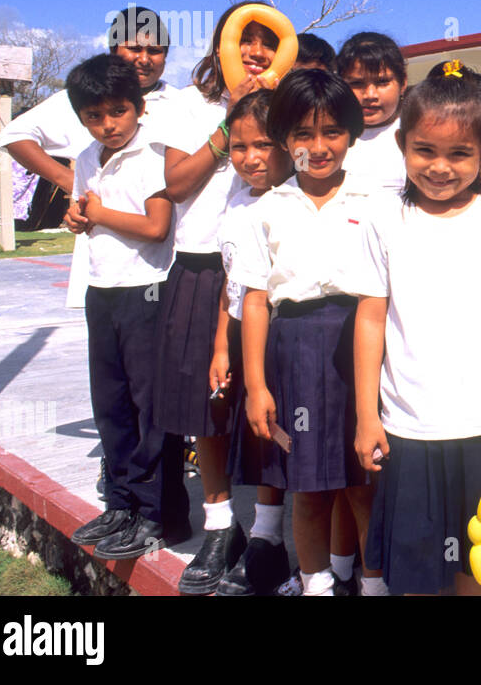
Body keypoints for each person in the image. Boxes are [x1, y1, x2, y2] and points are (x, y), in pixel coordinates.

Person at [350, 61, 481, 596]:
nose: (441, 167)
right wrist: (367, 415)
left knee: (480, 564)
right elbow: (370, 317)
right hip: (408, 428)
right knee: (415, 566)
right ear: (402, 144)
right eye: (426, 151)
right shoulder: (381, 217)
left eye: (460, 153)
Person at [232, 69, 381, 596]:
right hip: (293, 350)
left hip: (362, 347)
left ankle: (372, 583)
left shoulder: (377, 202)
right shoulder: (264, 211)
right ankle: (314, 583)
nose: (318, 148)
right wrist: (255, 386)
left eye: (332, 132)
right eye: (302, 134)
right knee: (308, 487)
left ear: (351, 133)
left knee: (365, 485)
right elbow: (253, 300)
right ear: (284, 139)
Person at [155, 2, 276, 587]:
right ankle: (220, 522)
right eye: (244, 39)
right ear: (220, 44)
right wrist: (230, 123)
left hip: (270, 271)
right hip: (203, 265)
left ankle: (272, 530)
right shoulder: (188, 103)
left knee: (272, 395)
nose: (255, 52)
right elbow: (176, 185)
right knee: (205, 402)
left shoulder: (289, 102)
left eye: (266, 42)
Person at [62, 55, 182, 557]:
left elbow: (157, 226)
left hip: (147, 289)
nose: (108, 125)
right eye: (94, 116)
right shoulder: (88, 157)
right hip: (103, 288)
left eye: (117, 111)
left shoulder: (155, 154)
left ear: (138, 107)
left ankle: (161, 516)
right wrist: (76, 216)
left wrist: (99, 214)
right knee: (110, 404)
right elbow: (83, 210)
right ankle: (121, 503)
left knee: (150, 408)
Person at [0, 6, 180, 308]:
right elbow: (15, 136)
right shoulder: (85, 97)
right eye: (134, 48)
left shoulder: (181, 102)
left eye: (155, 50)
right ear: (113, 49)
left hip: (160, 268)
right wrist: (72, 183)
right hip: (102, 270)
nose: (144, 59)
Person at [205, 89, 296, 596]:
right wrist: (222, 345)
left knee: (278, 438)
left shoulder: (293, 201)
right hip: (242, 332)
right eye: (238, 148)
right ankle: (260, 537)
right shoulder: (235, 200)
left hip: (281, 335)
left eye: (263, 144)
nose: (250, 158)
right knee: (254, 436)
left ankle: (269, 538)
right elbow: (229, 281)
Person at [337, 32, 408, 193]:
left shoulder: (419, 135)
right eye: (357, 83)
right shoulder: (325, 137)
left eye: (382, 82)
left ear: (402, 83)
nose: (370, 95)